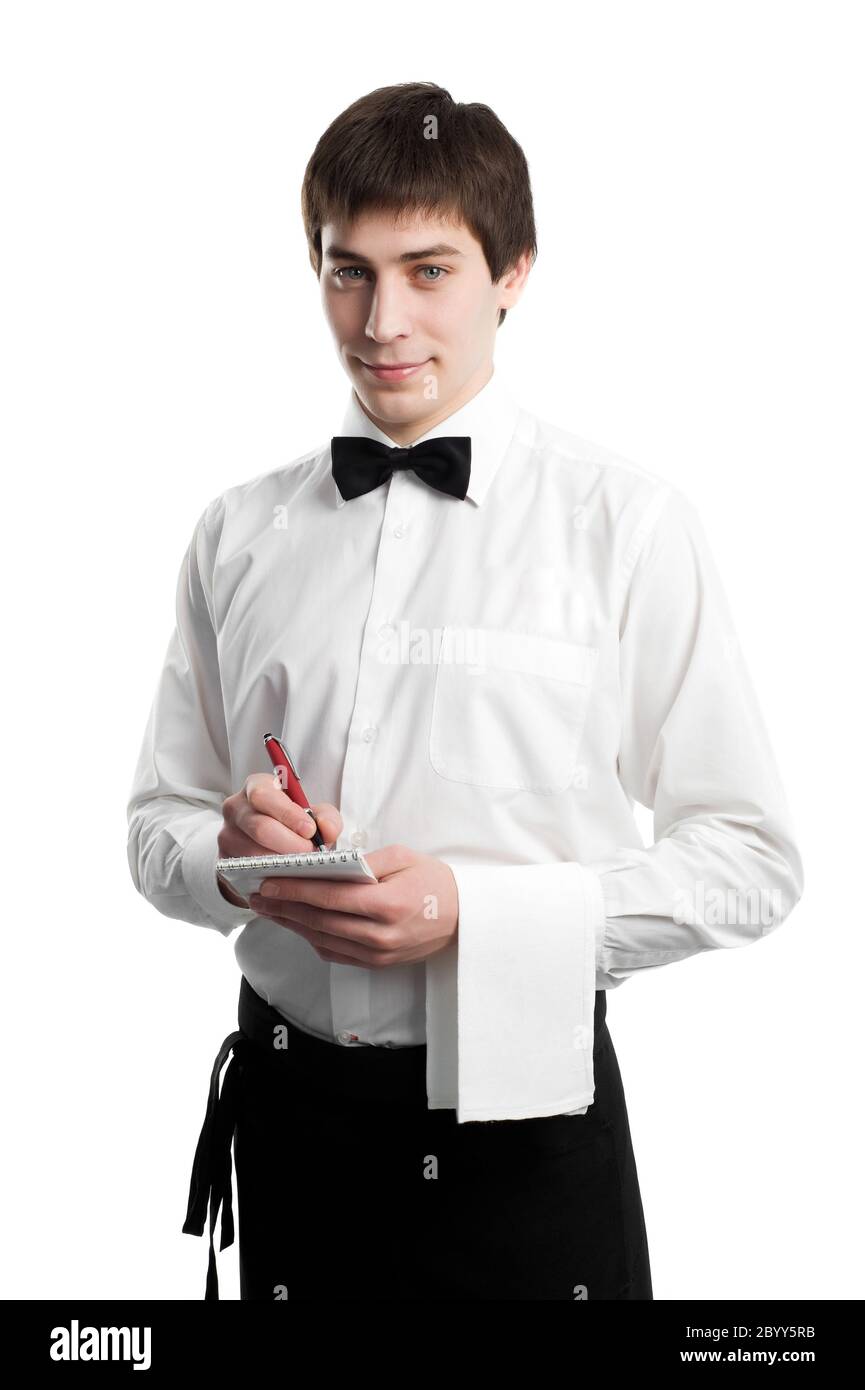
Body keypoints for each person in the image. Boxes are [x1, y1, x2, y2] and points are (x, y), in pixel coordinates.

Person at [126, 81, 804, 1301]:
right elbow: (153, 829)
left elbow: (751, 861)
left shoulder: (629, 526)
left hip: (530, 1148)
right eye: (348, 271)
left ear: (514, 271)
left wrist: (476, 917)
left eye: (428, 269)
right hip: (292, 1134)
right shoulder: (234, 533)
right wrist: (235, 857)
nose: (382, 319)